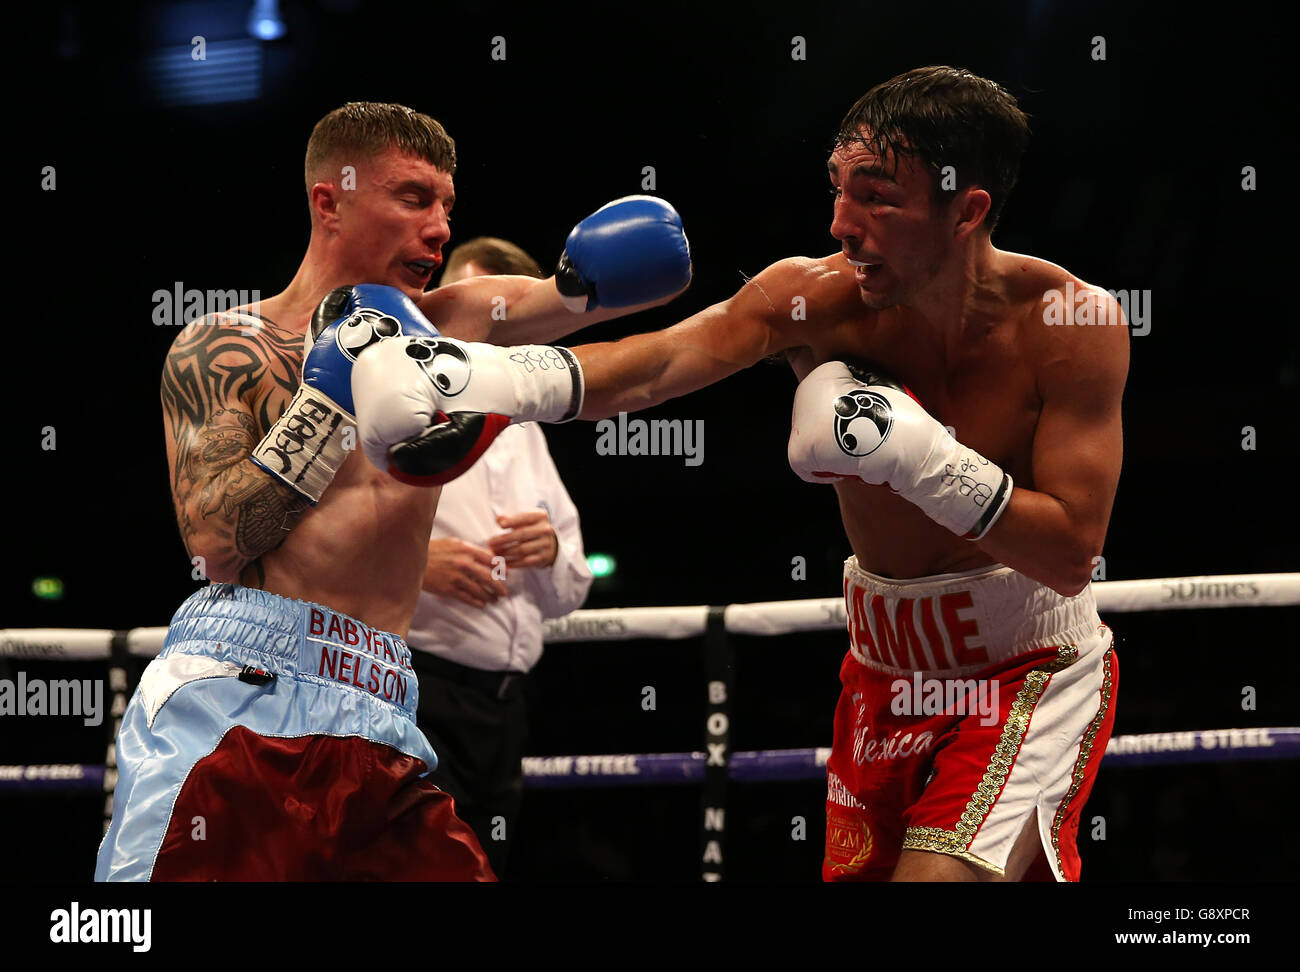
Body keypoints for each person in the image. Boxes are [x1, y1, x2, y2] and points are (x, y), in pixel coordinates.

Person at [350, 67, 1126, 883]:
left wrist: (923, 457)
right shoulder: (814, 299)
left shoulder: (1070, 326)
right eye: (837, 189)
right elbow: (658, 364)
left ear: (966, 211)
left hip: (1022, 666)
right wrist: (482, 380)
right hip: (884, 667)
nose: (843, 224)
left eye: (878, 197)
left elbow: (1073, 552)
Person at [95, 102, 690, 881]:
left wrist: (764, 312)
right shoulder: (228, 344)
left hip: (380, 707)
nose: (440, 227)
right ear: (329, 200)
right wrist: (331, 396)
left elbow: (588, 307)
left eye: (447, 206)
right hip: (240, 695)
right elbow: (214, 539)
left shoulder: (452, 325)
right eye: (414, 198)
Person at [408, 238, 594, 877]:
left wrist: (552, 556)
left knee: (492, 867)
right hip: (417, 691)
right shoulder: (396, 406)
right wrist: (415, 564)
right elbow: (306, 540)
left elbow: (572, 585)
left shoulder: (525, 427)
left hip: (506, 710)